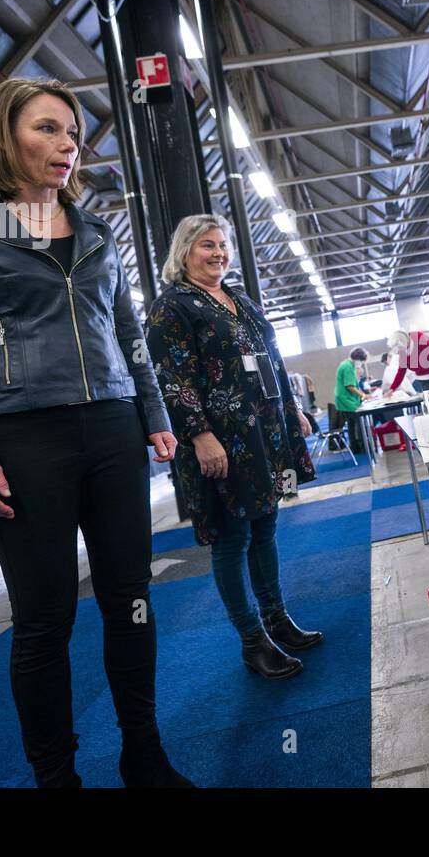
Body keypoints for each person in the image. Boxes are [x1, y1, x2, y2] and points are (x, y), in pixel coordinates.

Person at [0, 77, 191, 788]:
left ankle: (144, 754)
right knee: (45, 619)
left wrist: (154, 415)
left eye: (71, 133)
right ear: (5, 135)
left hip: (112, 430)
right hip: (23, 440)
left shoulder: (97, 231)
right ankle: (56, 777)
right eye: (46, 129)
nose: (66, 146)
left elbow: (128, 335)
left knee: (131, 598)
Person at [145, 215, 321, 681]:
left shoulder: (238, 297)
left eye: (223, 244)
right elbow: (172, 381)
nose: (219, 253)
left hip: (262, 432)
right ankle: (251, 640)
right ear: (185, 251)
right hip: (219, 439)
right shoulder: (172, 308)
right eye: (208, 245)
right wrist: (200, 434)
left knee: (265, 527)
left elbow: (271, 359)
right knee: (232, 539)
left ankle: (277, 620)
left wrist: (292, 409)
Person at [384, 329, 429, 393]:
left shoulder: (420, 338)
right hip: (423, 377)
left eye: (399, 350)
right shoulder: (402, 350)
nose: (399, 353)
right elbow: (401, 372)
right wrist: (392, 389)